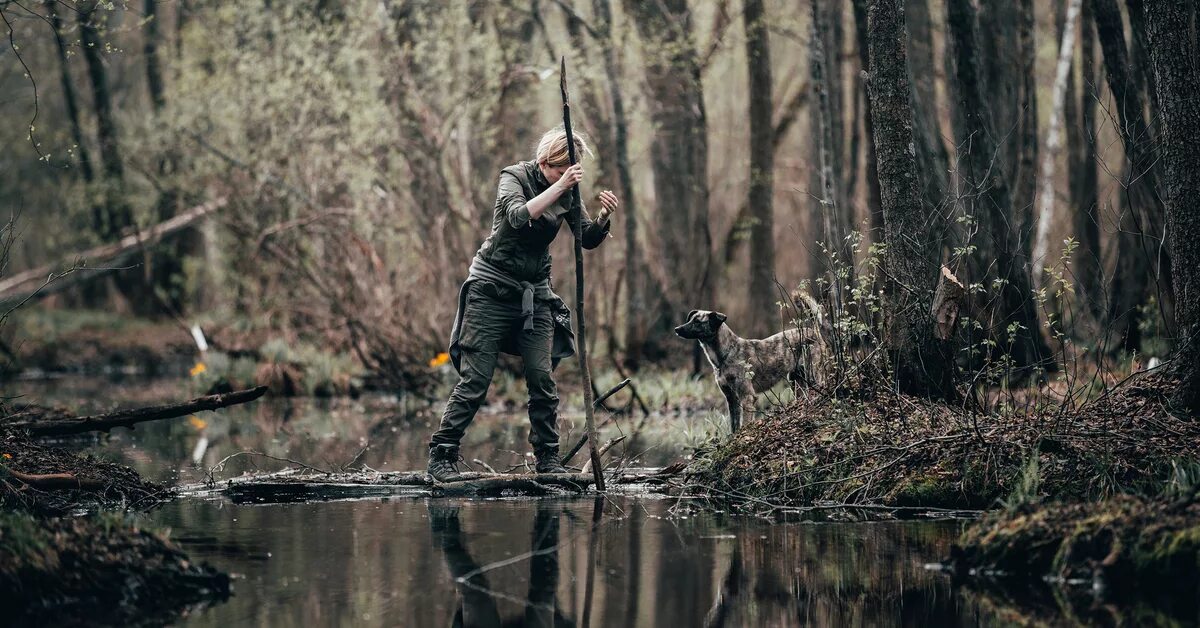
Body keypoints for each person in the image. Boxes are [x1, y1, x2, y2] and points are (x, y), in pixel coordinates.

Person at [426, 128, 619, 482]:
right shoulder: (513, 177)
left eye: (568, 174)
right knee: (476, 380)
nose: (566, 180)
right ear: (545, 162)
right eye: (560, 173)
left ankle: (548, 459)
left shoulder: (570, 191)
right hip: (490, 292)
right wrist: (560, 187)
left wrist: (603, 217)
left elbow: (586, 238)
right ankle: (442, 455)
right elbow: (517, 217)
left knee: (542, 378)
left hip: (535, 297)